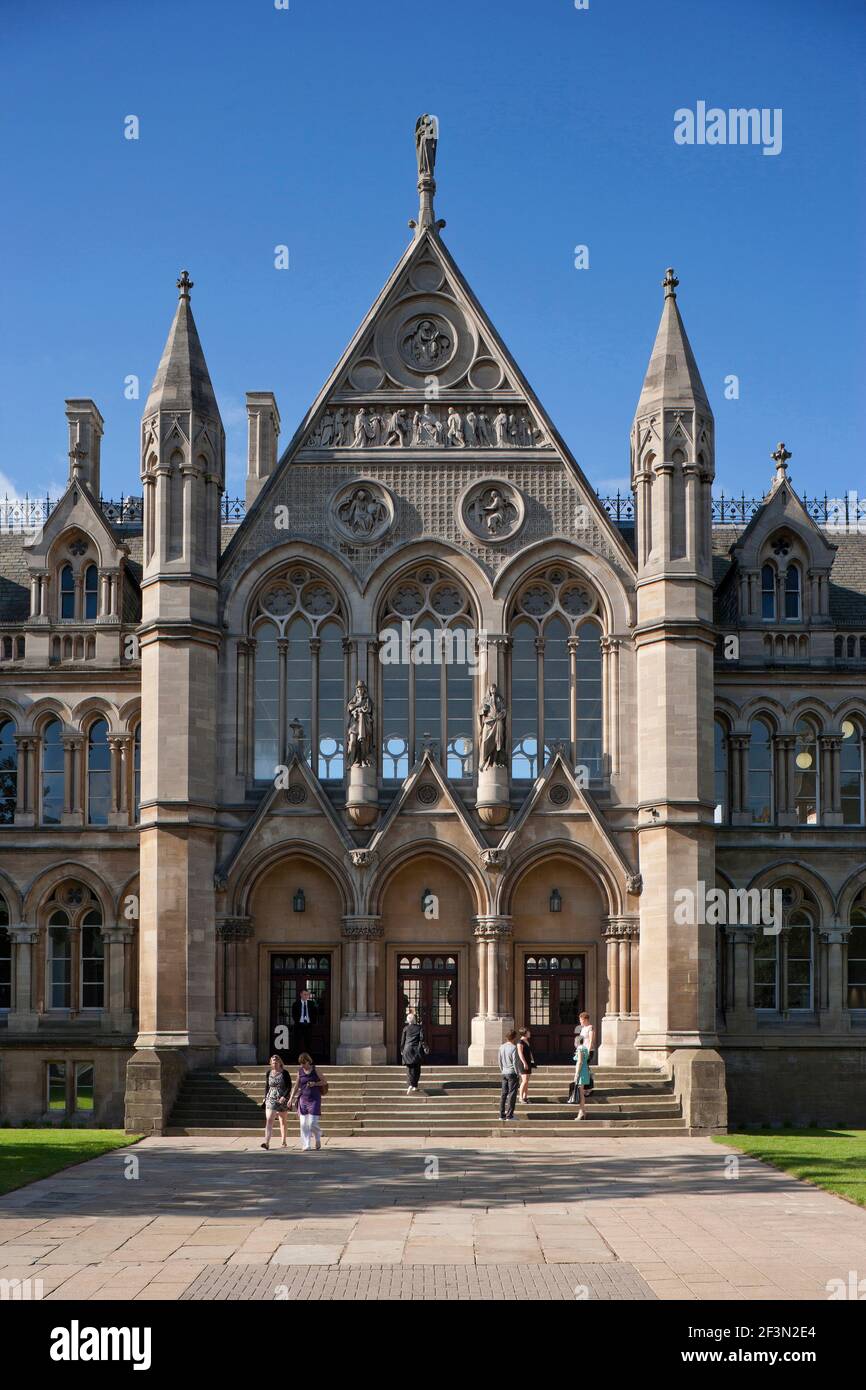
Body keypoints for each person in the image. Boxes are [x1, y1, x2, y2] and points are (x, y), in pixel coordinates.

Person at [291, 1052, 327, 1151]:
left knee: (312, 1123)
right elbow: (296, 1086)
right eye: (301, 1063)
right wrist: (290, 1098)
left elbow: (324, 1081)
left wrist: (314, 1083)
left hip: (314, 1099)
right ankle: (306, 1145)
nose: (303, 1065)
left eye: (304, 1063)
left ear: (308, 1061)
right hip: (303, 1099)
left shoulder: (315, 1070)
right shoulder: (300, 1072)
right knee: (303, 1124)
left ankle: (318, 1135)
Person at [260, 1054, 291, 1150]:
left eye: (276, 1061)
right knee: (269, 1119)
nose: (275, 1062)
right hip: (271, 1097)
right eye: (273, 1061)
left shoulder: (285, 1073)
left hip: (282, 1097)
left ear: (280, 1062)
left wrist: (284, 1097)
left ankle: (283, 1141)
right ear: (270, 1063)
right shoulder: (269, 1072)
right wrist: (265, 1097)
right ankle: (267, 1142)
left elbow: (289, 1086)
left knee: (283, 1120)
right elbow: (267, 1086)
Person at [401, 1008, 428, 1094]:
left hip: (407, 1050)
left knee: (409, 1068)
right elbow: (422, 1039)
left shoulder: (405, 1028)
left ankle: (412, 1085)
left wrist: (402, 1050)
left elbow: (402, 1041)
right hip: (416, 1050)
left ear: (408, 1020)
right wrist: (425, 1047)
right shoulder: (419, 1028)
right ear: (415, 1020)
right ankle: (413, 1085)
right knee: (417, 1069)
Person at [498, 1030, 519, 1121]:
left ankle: (501, 1115)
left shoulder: (501, 1047)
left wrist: (502, 1070)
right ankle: (509, 1115)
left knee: (503, 1094)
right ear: (514, 1038)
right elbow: (515, 1062)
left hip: (504, 1072)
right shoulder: (514, 1048)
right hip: (512, 1072)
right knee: (512, 1094)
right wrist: (518, 1073)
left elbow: (499, 1060)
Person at [291, 989, 318, 1060]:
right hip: (299, 1026)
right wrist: (298, 1022)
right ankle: (296, 1060)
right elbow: (294, 1015)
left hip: (308, 1026)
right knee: (297, 1044)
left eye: (307, 995)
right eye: (304, 994)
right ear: (301, 995)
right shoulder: (296, 1004)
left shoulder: (312, 1004)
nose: (306, 996)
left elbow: (315, 1014)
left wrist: (312, 1023)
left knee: (308, 1044)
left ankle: (309, 1061)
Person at [572, 1040, 592, 1121]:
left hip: (581, 1073)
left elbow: (579, 1062)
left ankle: (581, 1112)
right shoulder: (585, 1048)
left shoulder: (580, 1048)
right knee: (581, 1093)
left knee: (581, 1094)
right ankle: (583, 1111)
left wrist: (576, 1074)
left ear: (576, 1042)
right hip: (585, 1071)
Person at [516, 1027, 535, 1104]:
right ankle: (520, 1097)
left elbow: (529, 1052)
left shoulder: (526, 1041)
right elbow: (520, 1053)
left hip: (528, 1062)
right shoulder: (520, 1042)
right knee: (524, 1080)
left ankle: (525, 1097)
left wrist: (532, 1060)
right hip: (522, 1063)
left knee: (527, 1081)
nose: (529, 1033)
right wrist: (524, 1063)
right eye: (528, 1032)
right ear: (525, 1033)